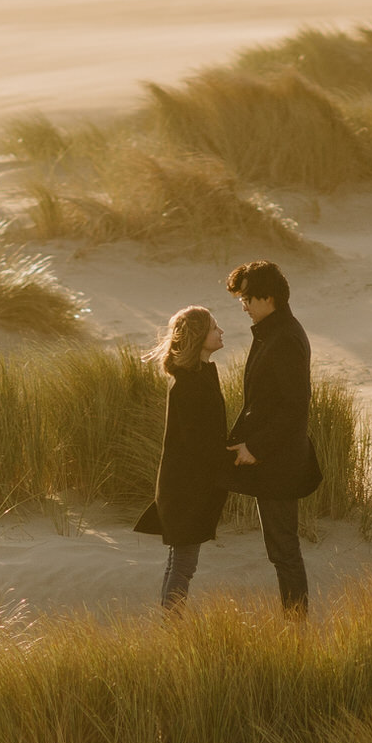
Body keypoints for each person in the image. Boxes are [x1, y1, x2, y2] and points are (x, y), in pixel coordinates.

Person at [225, 259, 321, 615]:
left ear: (269, 298)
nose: (244, 306)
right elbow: (259, 403)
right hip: (269, 458)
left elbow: (295, 407)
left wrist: (256, 447)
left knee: (284, 550)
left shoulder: (285, 338)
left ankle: (296, 626)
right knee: (280, 551)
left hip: (280, 462)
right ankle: (295, 622)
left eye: (247, 298)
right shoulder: (272, 332)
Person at [133, 305, 229, 611]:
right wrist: (230, 459)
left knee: (179, 563)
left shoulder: (199, 374)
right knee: (183, 565)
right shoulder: (188, 382)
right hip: (186, 488)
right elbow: (197, 442)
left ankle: (170, 624)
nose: (221, 332)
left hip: (188, 485)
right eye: (214, 328)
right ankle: (172, 626)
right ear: (199, 336)